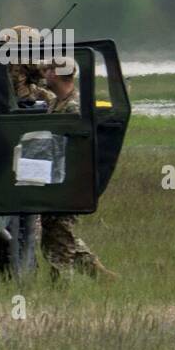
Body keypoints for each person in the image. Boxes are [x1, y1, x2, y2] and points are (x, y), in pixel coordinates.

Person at [36, 57, 119, 280]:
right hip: (57, 179)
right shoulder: (56, 102)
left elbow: (75, 147)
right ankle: (101, 275)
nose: (45, 74)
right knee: (56, 232)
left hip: (70, 182)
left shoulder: (74, 107)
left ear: (56, 74)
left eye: (48, 70)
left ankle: (60, 291)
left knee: (59, 238)